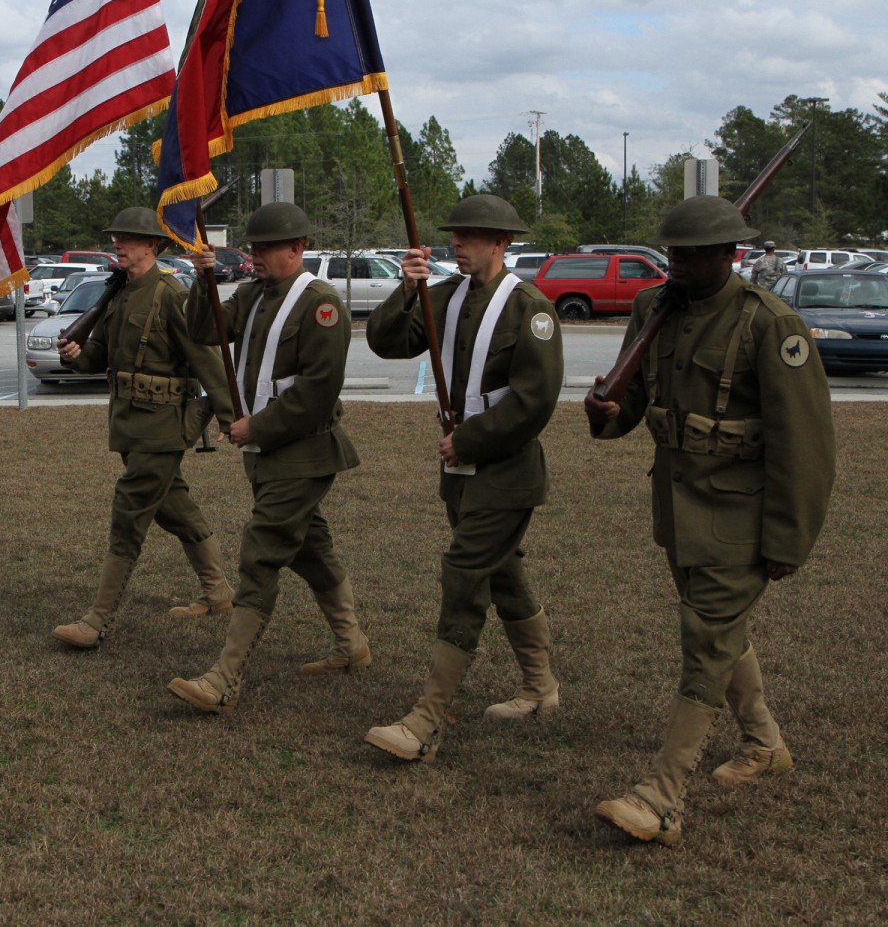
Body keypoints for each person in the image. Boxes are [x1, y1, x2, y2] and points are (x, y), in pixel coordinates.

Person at [585, 195, 835, 847]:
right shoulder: (653, 309)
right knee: (719, 631)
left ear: (733, 254)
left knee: (705, 642)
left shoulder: (769, 325)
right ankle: (764, 743)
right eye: (675, 254)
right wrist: (605, 411)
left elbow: (805, 447)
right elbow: (632, 405)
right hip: (678, 510)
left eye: (697, 255)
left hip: (741, 519)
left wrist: (787, 540)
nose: (682, 265)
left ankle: (662, 797)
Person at [362, 195, 564, 763]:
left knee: (465, 572)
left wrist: (470, 439)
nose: (459, 243)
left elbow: (535, 399)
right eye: (457, 234)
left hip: (505, 469)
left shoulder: (531, 309)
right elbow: (386, 342)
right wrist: (406, 289)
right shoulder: (445, 296)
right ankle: (541, 686)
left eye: (473, 236)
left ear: (502, 243)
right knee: (502, 574)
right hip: (460, 470)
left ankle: (427, 719)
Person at [167, 201, 367, 714]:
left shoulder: (321, 305)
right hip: (267, 454)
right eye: (252, 247)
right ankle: (352, 645)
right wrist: (203, 281)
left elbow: (318, 391)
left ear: (297, 249)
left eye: (267, 248)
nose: (255, 256)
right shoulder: (253, 295)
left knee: (261, 552)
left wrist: (259, 424)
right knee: (309, 548)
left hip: (303, 451)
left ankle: (224, 678)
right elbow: (205, 331)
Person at [52, 207, 236, 650]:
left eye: (128, 238)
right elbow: (101, 356)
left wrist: (231, 417)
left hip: (162, 427)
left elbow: (206, 360)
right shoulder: (117, 294)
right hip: (130, 426)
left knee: (129, 513)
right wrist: (78, 355)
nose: (118, 243)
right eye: (116, 236)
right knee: (175, 508)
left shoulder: (171, 294)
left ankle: (97, 620)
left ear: (152, 246)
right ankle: (219, 592)